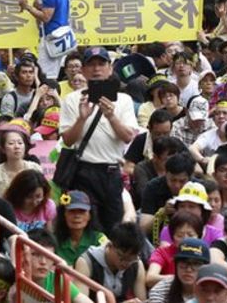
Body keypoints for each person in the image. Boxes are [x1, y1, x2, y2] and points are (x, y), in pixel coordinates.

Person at [60, 46, 137, 233]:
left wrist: (111, 116)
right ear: (83, 70)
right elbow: (68, 140)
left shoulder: (123, 100)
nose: (96, 69)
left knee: (113, 225)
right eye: (91, 65)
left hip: (111, 171)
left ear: (110, 68)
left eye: (101, 64)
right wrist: (82, 117)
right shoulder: (72, 100)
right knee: (87, 226)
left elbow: (128, 137)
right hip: (83, 170)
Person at [18, 0, 71, 79]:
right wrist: (40, 6)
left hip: (52, 38)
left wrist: (27, 7)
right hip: (63, 37)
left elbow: (46, 17)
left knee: (46, 76)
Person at [74, 222, 147, 303]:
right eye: (122, 257)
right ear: (110, 246)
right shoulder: (86, 262)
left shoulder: (136, 265)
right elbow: (80, 300)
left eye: (131, 259)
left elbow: (142, 299)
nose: (126, 263)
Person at [54, 190, 107, 266]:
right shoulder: (54, 240)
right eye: (72, 211)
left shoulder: (98, 239)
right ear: (63, 214)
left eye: (82, 211)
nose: (77, 216)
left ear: (90, 215)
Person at [149, 238, 212, 303]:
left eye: (196, 264)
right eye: (184, 263)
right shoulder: (161, 290)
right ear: (176, 265)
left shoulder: (215, 290)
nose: (189, 269)